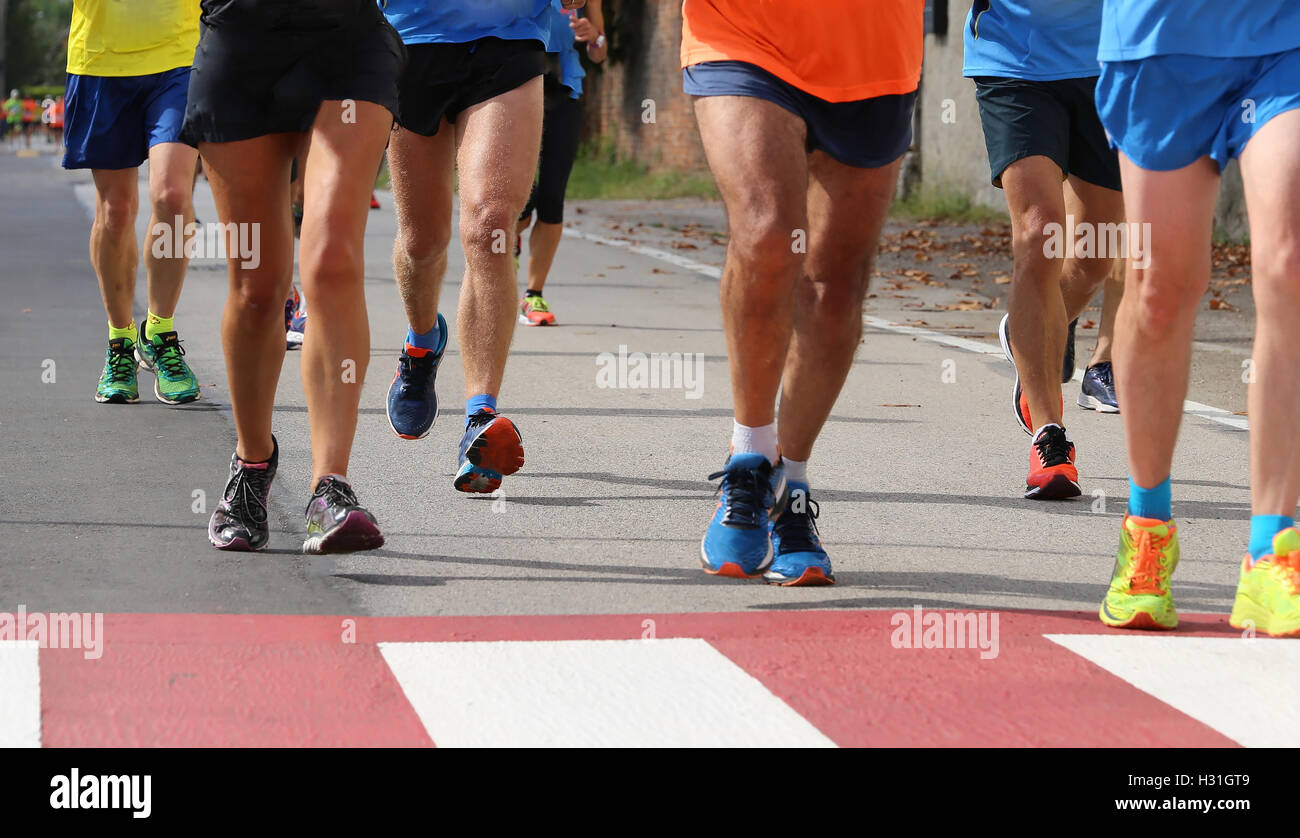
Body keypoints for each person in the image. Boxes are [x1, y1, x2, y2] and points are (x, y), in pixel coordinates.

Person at [684, 0, 924, 585]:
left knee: (835, 286)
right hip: (743, 31)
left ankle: (790, 486)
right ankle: (749, 459)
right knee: (768, 233)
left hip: (872, 51)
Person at [1094, 0, 1300, 636]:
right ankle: (1148, 532)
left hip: (1280, 35)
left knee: (1289, 263)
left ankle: (1272, 550)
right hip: (1161, 40)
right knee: (1159, 291)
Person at [185, 0, 403, 554]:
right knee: (257, 286)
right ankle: (252, 463)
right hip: (241, 41)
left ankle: (330, 487)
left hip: (347, 42)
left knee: (331, 258)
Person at [380, 0, 585, 494]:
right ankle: (422, 343)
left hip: (509, 41)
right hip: (411, 43)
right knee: (421, 241)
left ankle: (479, 418)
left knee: (491, 228)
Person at [964, 0, 1125, 500]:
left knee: (1098, 252)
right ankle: (1049, 438)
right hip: (1015, 58)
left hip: (1114, 59)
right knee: (1038, 235)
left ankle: (1028, 333)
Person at [62, 0, 202, 406]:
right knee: (115, 209)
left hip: (181, 54)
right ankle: (120, 341)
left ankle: (160, 333)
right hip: (100, 60)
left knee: (172, 196)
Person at [515, 0, 606, 327]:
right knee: (521, 195)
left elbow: (600, 50)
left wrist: (592, 35)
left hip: (563, 91)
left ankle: (533, 293)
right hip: (513, 86)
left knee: (553, 197)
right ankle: (510, 237)